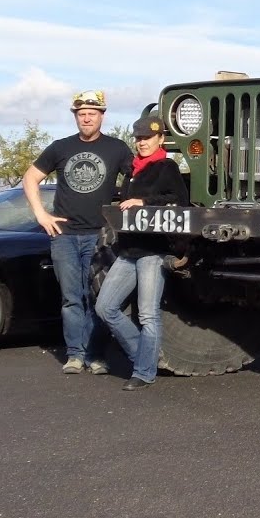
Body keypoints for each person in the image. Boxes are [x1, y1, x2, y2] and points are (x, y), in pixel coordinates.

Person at [23, 89, 133, 376]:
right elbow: (30, 178)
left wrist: (134, 202)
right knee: (71, 298)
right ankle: (75, 355)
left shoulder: (117, 149)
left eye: (92, 114)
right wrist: (40, 214)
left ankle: (96, 355)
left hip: (100, 235)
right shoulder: (60, 148)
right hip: (64, 235)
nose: (86, 118)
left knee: (98, 299)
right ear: (75, 116)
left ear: (101, 116)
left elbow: (138, 177)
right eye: (82, 114)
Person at [95, 114, 189, 391]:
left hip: (153, 250)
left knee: (148, 314)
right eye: (138, 138)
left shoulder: (166, 166)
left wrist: (144, 201)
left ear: (161, 139)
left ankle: (144, 372)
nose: (142, 143)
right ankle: (143, 355)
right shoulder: (133, 169)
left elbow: (180, 201)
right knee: (105, 307)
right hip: (128, 250)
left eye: (147, 138)